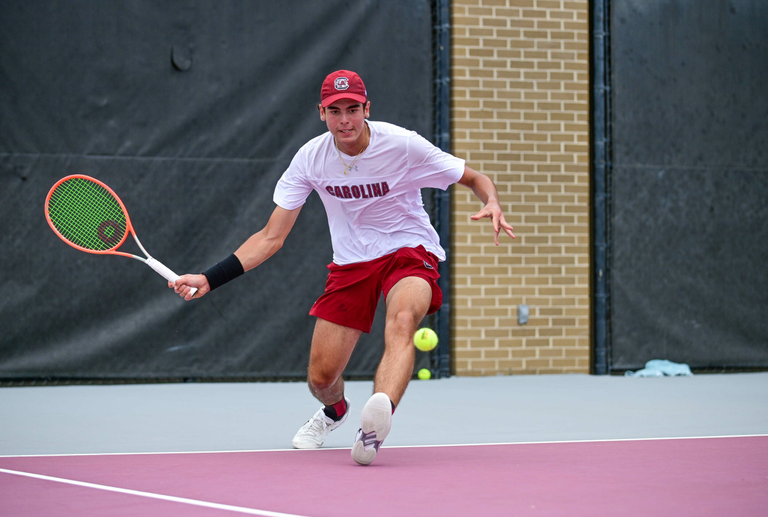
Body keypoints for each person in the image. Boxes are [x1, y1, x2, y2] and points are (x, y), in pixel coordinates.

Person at [170, 70, 515, 465]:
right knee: (321, 378)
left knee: (403, 319)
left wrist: (492, 200)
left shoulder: (402, 145)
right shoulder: (311, 159)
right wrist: (209, 279)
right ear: (322, 113)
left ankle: (374, 426)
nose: (345, 120)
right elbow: (270, 237)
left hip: (408, 250)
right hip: (351, 264)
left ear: (367, 109)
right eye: (335, 111)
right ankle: (335, 412)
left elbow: (474, 177)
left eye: (353, 109)